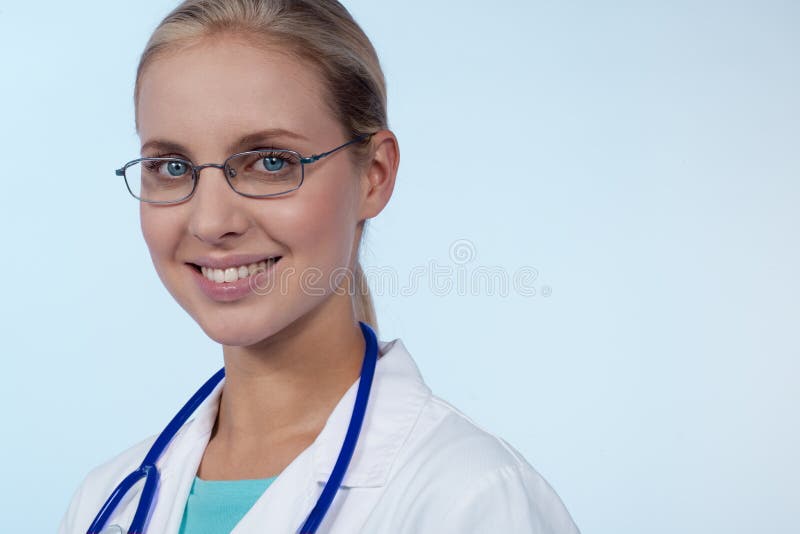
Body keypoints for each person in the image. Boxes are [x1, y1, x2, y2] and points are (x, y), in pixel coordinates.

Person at [59, 1, 579, 532]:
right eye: (172, 167)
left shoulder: (470, 500)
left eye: (271, 162)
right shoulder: (106, 502)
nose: (211, 222)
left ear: (374, 176)